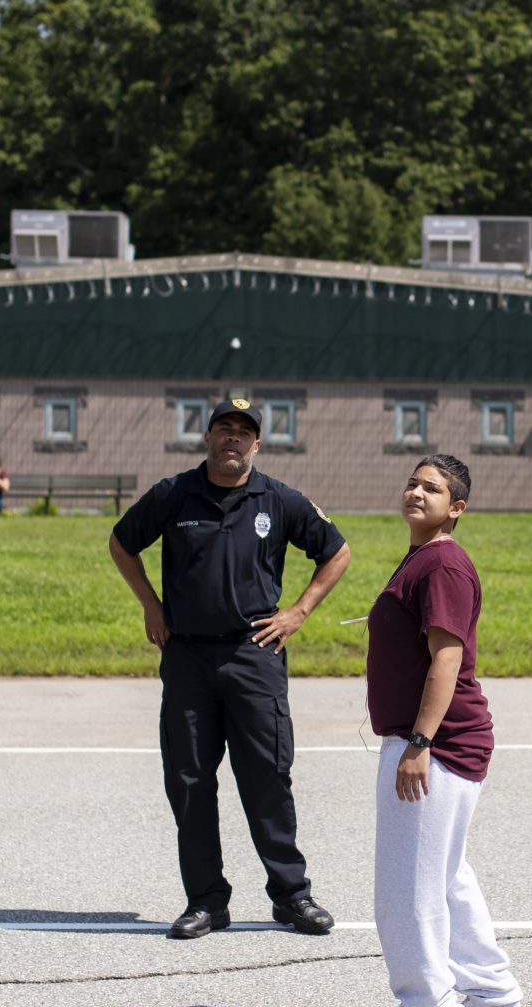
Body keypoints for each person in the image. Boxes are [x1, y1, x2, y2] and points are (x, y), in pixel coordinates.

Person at [109, 397, 351, 940]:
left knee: (267, 778)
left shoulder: (279, 500)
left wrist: (298, 612)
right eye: (224, 428)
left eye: (244, 431)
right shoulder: (174, 494)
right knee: (190, 781)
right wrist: (151, 605)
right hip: (188, 657)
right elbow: (121, 544)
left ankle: (291, 895)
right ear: (208, 438)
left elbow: (336, 553)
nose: (233, 438)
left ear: (257, 444)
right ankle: (206, 901)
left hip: (253, 655)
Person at [356, 454, 522, 1007]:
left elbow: (446, 658)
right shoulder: (423, 557)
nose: (417, 492)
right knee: (445, 879)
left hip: (437, 743)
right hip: (440, 741)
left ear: (457, 507)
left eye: (432, 488)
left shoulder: (443, 563)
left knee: (408, 889)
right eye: (412, 483)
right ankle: (493, 1000)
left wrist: (419, 743)